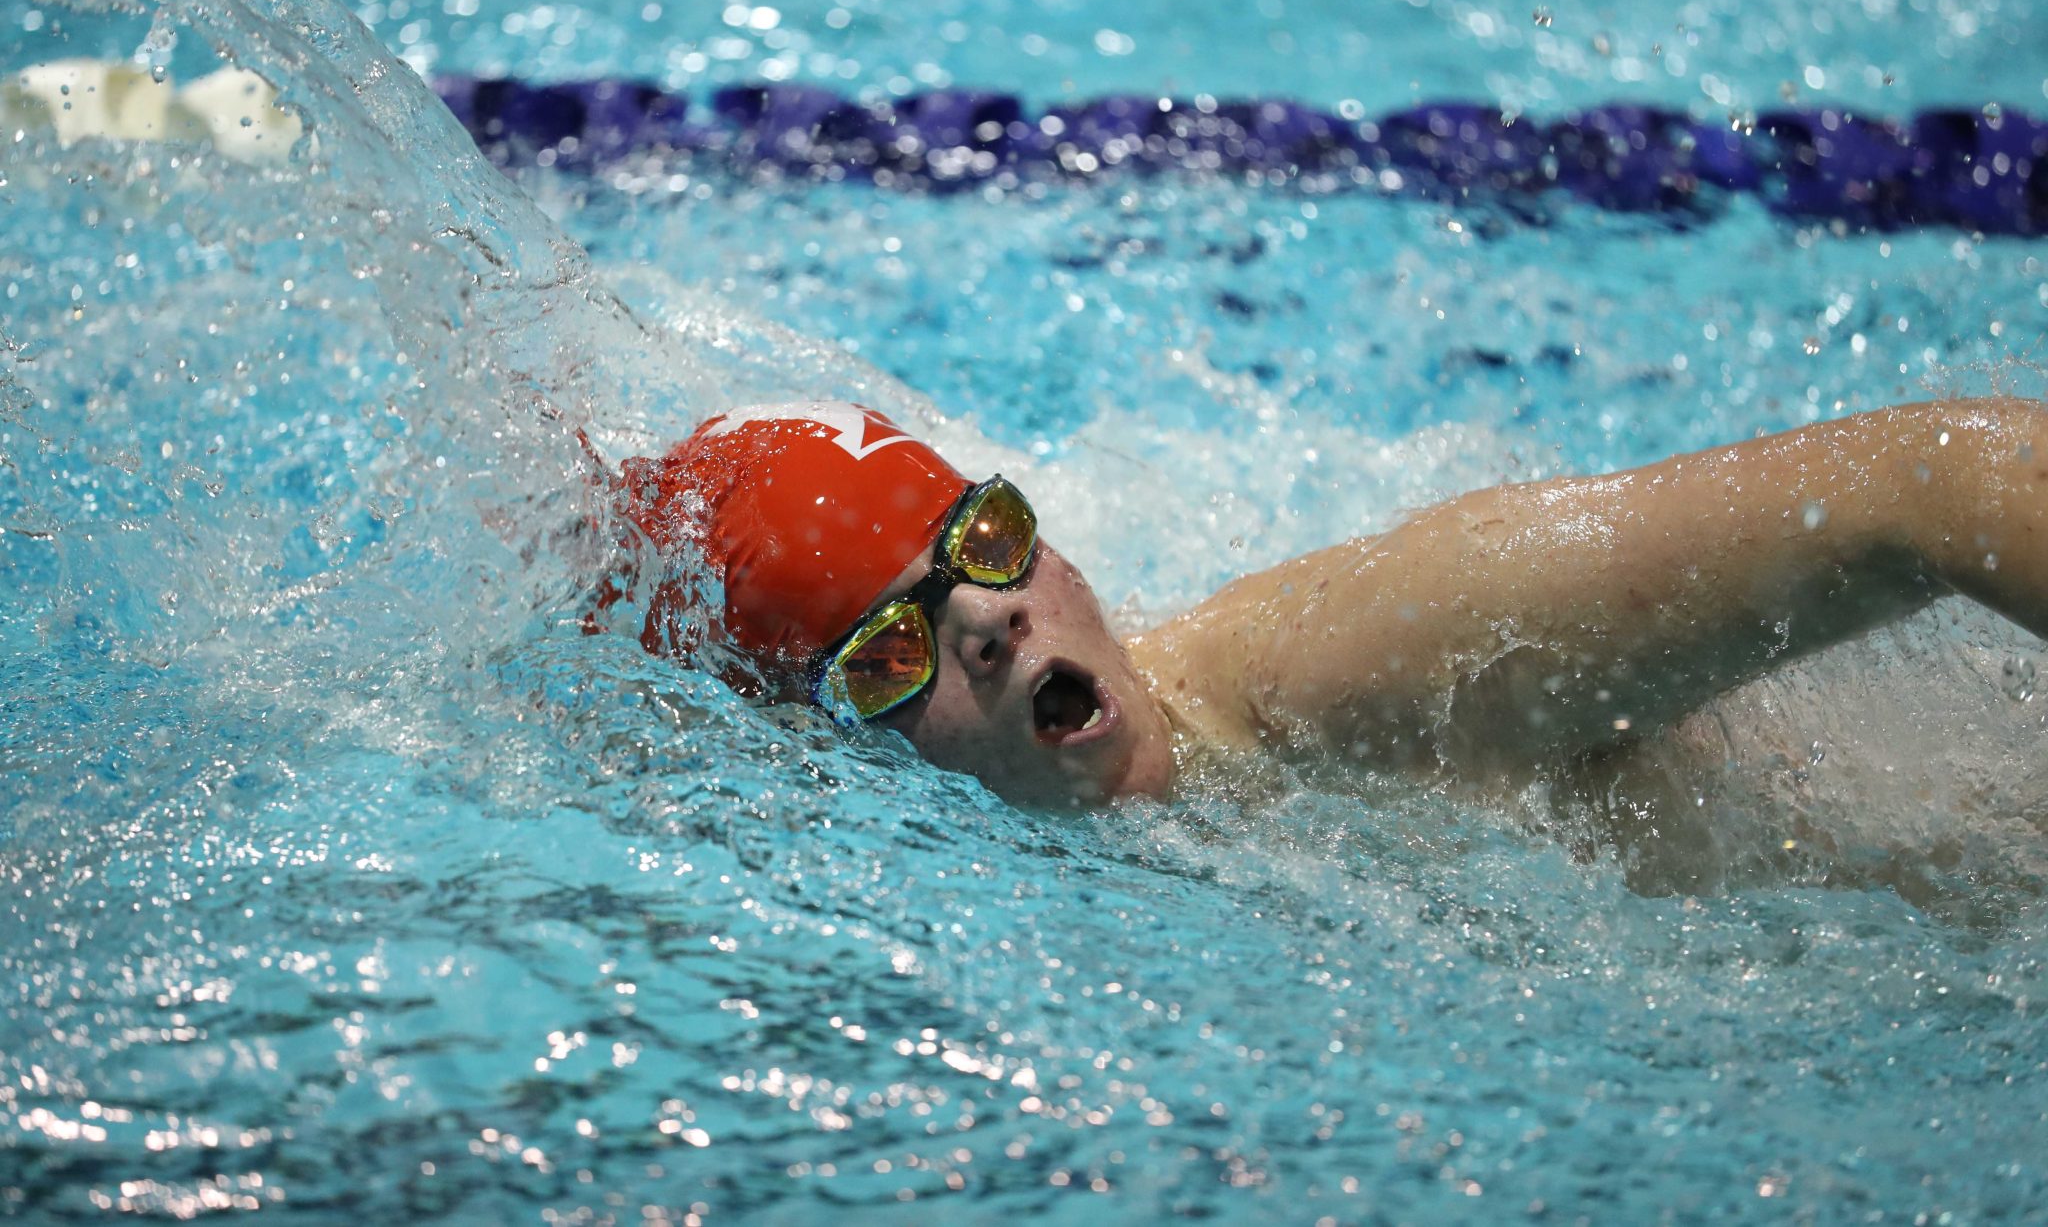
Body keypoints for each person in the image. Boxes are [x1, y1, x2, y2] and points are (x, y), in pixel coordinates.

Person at [600, 397, 2048, 808]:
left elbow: (1931, 485)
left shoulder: (1352, 674)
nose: (988, 617)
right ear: (812, 755)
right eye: (892, 645)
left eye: (987, 537)